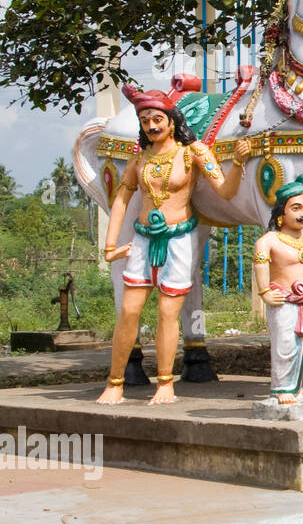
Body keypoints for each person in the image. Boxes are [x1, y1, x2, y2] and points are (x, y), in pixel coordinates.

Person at [99, 82, 251, 405]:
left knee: (168, 313)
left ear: (172, 120)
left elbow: (224, 192)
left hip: (179, 238)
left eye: (157, 119)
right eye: (145, 121)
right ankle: (115, 382)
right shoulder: (138, 160)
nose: (151, 126)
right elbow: (122, 201)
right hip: (142, 239)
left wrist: (236, 164)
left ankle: (165, 383)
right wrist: (111, 246)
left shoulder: (193, 153)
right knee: (129, 311)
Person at [252, 175, 303, 406]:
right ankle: (282, 388)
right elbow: (260, 265)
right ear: (281, 213)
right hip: (284, 301)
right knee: (285, 346)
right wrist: (265, 292)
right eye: (296, 208)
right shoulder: (269, 241)